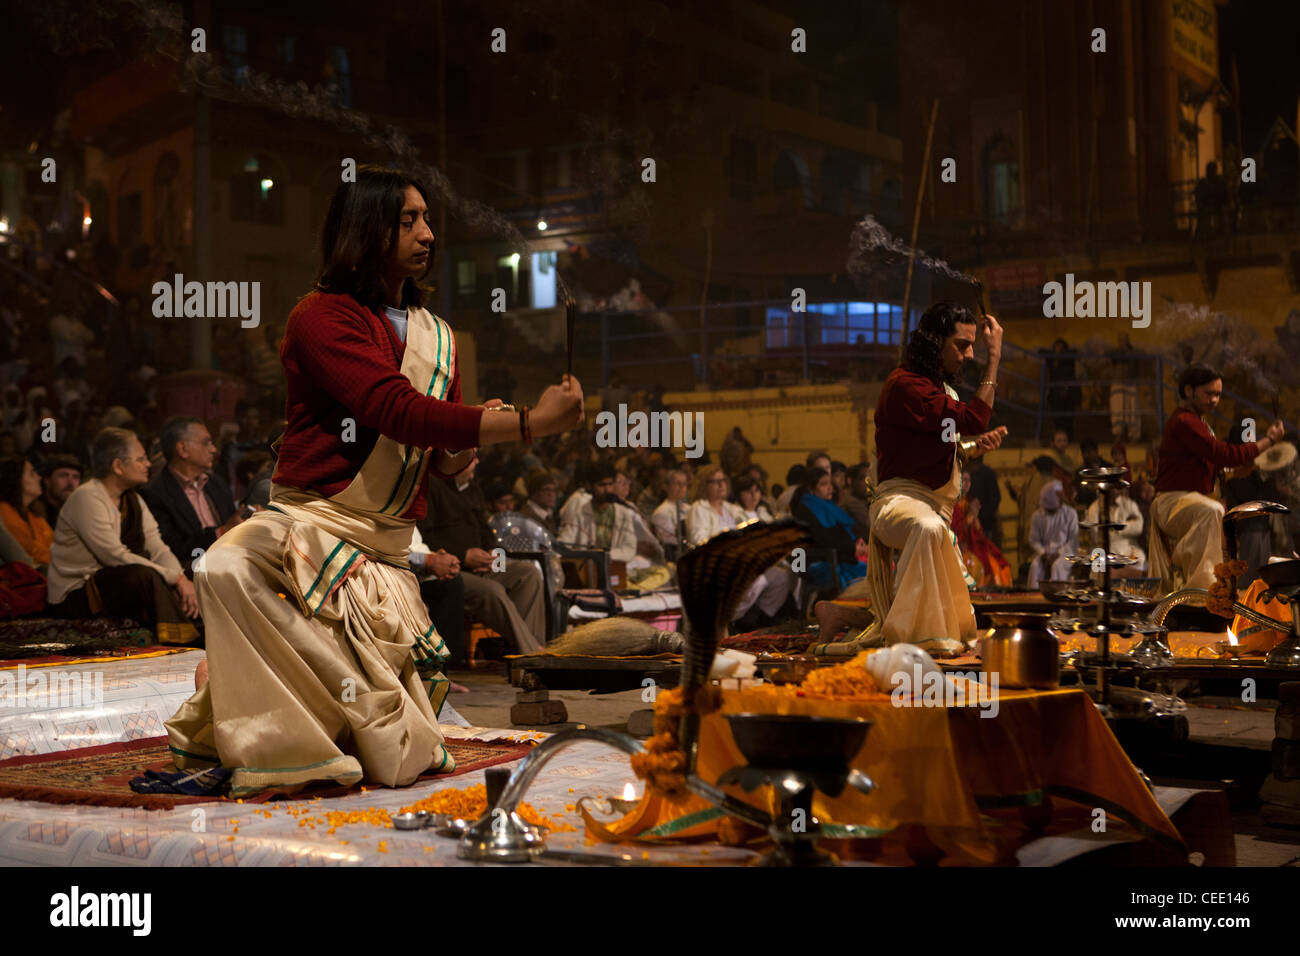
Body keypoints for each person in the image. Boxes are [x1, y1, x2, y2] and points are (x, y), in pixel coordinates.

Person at [164, 166, 583, 797]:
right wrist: (529, 424)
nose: (427, 233)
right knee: (224, 566)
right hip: (310, 520)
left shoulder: (437, 336)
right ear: (367, 228)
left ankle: (228, 694)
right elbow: (394, 409)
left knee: (367, 726)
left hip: (386, 543)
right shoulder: (320, 316)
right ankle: (284, 747)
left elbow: (435, 455)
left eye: (427, 219)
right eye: (408, 220)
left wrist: (468, 444)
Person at [854, 302, 1006, 655]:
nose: (969, 355)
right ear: (934, 342)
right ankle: (913, 644)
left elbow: (942, 446)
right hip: (897, 505)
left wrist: (970, 450)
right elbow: (975, 418)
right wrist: (994, 356)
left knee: (959, 620)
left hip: (931, 513)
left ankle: (841, 617)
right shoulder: (905, 386)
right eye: (961, 345)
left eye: (974, 346)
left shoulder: (939, 391)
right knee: (929, 529)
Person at [47, 427, 199, 643]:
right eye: (141, 459)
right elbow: (113, 556)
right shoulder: (87, 497)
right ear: (118, 466)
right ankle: (183, 639)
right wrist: (174, 579)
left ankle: (201, 628)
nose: (148, 464)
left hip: (114, 580)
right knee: (143, 576)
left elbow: (157, 547)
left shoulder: (133, 499)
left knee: (195, 572)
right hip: (77, 591)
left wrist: (180, 579)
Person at [1149, 364, 1284, 591]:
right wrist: (1268, 440)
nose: (1214, 400)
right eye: (1209, 393)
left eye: (1218, 395)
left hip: (1185, 501)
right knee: (1212, 510)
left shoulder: (1197, 424)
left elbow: (1210, 466)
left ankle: (1202, 590)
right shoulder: (1185, 422)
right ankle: (1202, 593)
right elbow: (1225, 454)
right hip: (1171, 502)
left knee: (1213, 510)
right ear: (1189, 391)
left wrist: (1231, 473)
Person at [420, 442, 549, 657]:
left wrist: (493, 558)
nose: (477, 462)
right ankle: (532, 652)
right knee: (493, 591)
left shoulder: (473, 489)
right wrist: (465, 556)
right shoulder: (432, 487)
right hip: (452, 568)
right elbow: (425, 537)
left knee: (529, 574)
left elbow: (488, 534)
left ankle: (525, 653)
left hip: (481, 566)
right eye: (472, 458)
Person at [687, 466, 792, 628]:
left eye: (722, 480)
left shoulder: (732, 509)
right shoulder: (698, 508)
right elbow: (698, 540)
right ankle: (729, 619)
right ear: (704, 485)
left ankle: (757, 617)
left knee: (781, 576)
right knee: (757, 579)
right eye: (715, 482)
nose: (721, 485)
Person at [139, 416, 242, 575]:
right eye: (206, 443)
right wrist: (221, 532)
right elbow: (172, 548)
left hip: (231, 560)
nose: (213, 449)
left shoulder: (216, 484)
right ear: (182, 449)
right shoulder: (155, 494)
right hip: (194, 570)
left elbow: (232, 525)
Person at [792, 466, 868, 590]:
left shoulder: (827, 506)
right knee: (876, 574)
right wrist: (852, 547)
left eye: (830, 484)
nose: (830, 488)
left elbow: (843, 531)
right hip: (821, 563)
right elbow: (822, 540)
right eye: (824, 484)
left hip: (841, 556)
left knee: (884, 567)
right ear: (811, 488)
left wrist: (858, 542)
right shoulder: (805, 510)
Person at [560, 461, 637, 562]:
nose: (607, 490)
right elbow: (563, 544)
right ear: (589, 486)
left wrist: (603, 555)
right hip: (587, 570)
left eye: (610, 484)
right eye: (602, 485)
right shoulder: (579, 513)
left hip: (616, 568)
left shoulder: (624, 513)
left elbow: (630, 550)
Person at [952, 470, 1011, 587]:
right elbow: (956, 531)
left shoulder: (969, 501)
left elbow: (978, 530)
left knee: (999, 562)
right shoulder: (953, 504)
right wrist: (970, 516)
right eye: (963, 480)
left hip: (975, 543)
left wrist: (974, 517)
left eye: (969, 480)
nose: (967, 483)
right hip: (961, 547)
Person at [0, 457, 53, 571]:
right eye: (32, 473)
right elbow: (26, 554)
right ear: (16, 479)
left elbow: (54, 546)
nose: (39, 477)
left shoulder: (34, 515)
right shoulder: (4, 512)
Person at [1026, 480, 1078, 587]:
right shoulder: (1037, 516)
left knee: (1057, 567)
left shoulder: (1070, 514)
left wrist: (1059, 553)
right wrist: (1043, 553)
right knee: (1035, 567)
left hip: (1065, 554)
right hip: (1045, 554)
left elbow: (1073, 540)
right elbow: (1033, 540)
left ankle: (1057, 596)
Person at [1084, 486, 1146, 575]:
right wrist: (1127, 524)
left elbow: (1138, 527)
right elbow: (1098, 536)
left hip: (1128, 553)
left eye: (1118, 488)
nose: (1116, 491)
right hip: (1105, 553)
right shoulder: (1094, 508)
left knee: (1140, 561)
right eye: (1113, 488)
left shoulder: (1128, 504)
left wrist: (1115, 529)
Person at [651, 467, 689, 548]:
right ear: (666, 486)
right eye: (678, 483)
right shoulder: (661, 511)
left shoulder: (689, 508)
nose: (682, 487)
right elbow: (668, 542)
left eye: (684, 484)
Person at [521, 468, 559, 535]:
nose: (551, 494)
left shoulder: (548, 513)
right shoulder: (527, 517)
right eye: (546, 489)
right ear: (534, 492)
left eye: (554, 490)